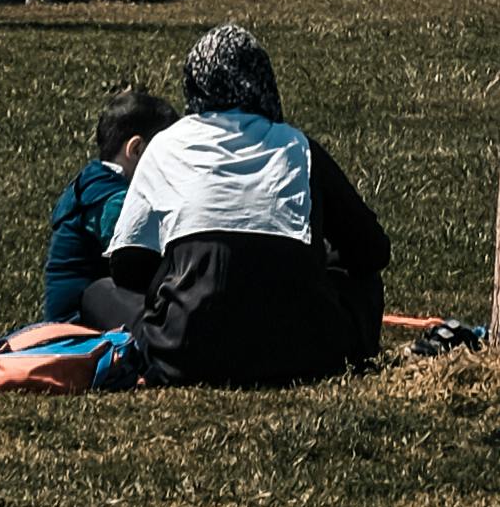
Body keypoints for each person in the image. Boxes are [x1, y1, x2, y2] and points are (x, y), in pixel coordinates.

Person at [80, 24, 391, 381]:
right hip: (303, 352)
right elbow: (372, 251)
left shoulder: (166, 145)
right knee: (360, 279)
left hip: (183, 351)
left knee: (97, 293)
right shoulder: (298, 147)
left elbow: (127, 266)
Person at [40, 85, 165, 321]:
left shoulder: (92, 184)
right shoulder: (109, 199)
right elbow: (133, 252)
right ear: (136, 149)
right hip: (77, 330)